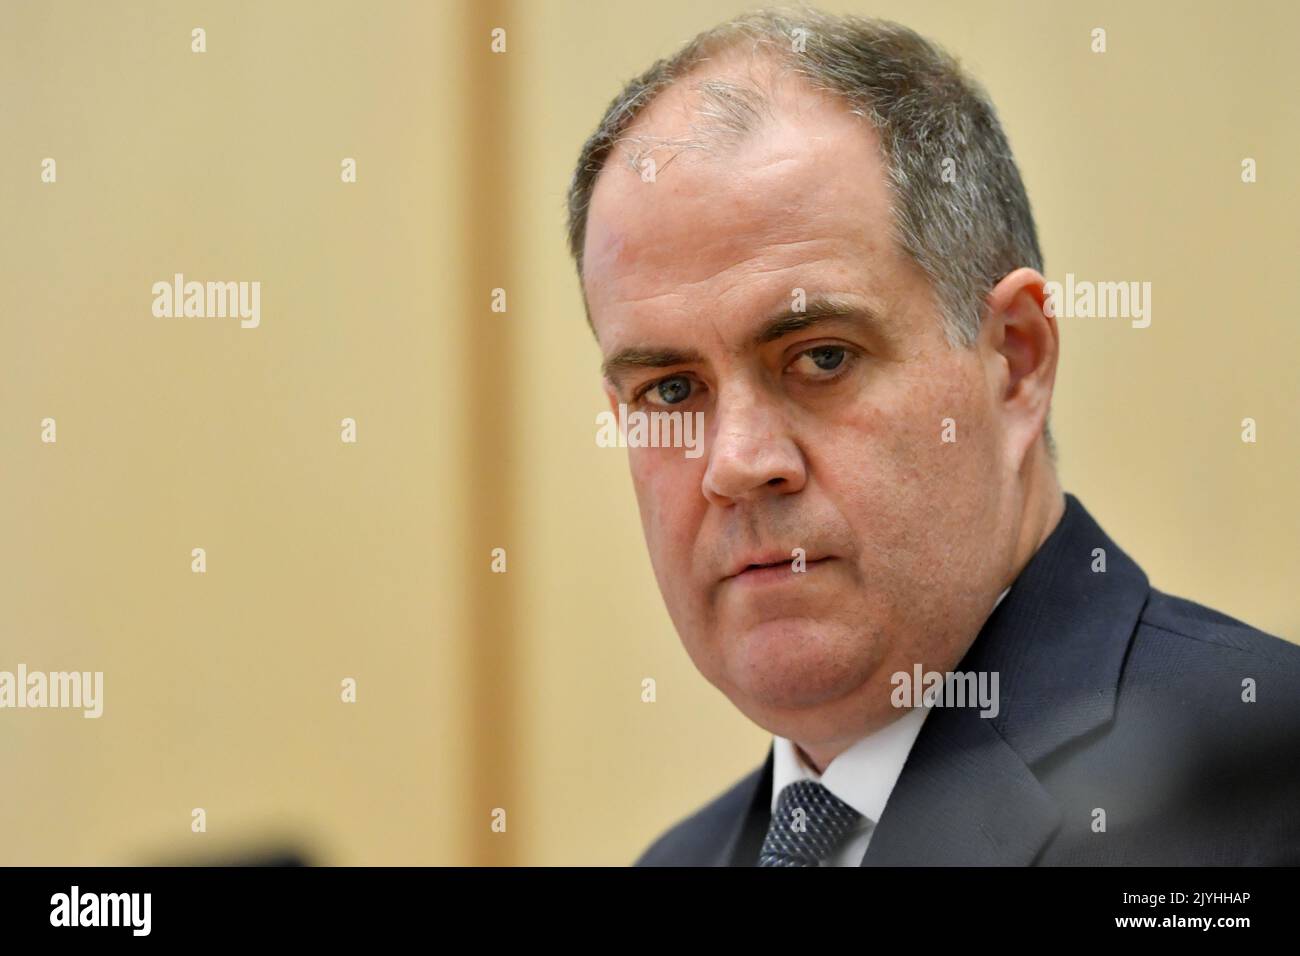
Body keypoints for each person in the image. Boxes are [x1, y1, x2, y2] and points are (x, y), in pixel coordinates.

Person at [564, 7, 1300, 866]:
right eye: (673, 390)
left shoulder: (1254, 802)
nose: (736, 463)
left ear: (1014, 362)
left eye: (822, 356)